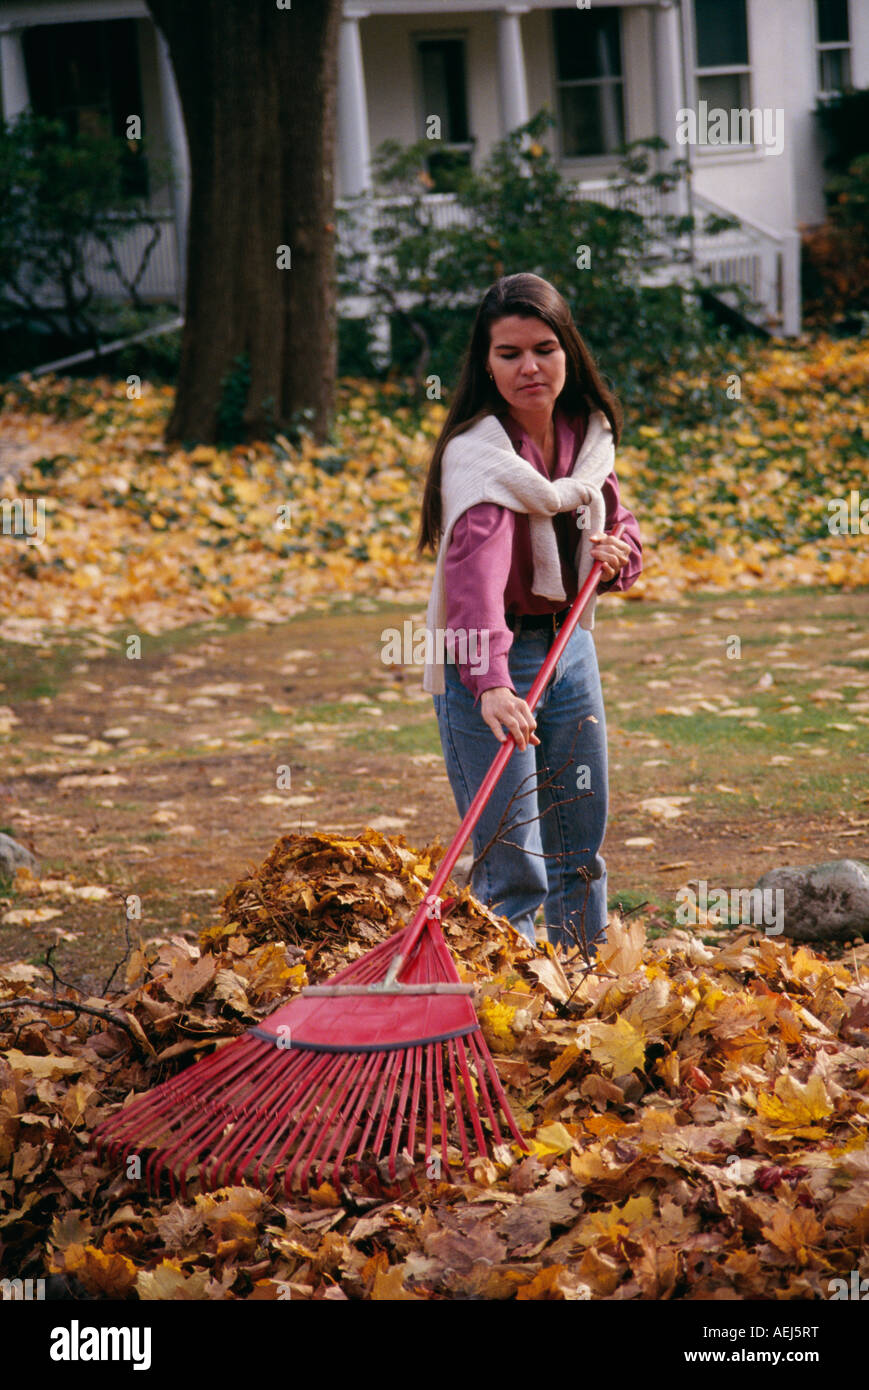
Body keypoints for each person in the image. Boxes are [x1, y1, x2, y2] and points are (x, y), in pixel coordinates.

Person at [417, 273, 643, 955]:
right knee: (514, 866)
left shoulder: (586, 438)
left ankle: (582, 991)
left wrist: (618, 551)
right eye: (508, 353)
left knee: (580, 845)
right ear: (485, 364)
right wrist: (489, 684)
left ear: (566, 351)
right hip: (490, 660)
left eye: (542, 348)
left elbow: (618, 518)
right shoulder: (479, 458)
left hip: (567, 649)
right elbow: (473, 580)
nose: (528, 367)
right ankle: (512, 1014)